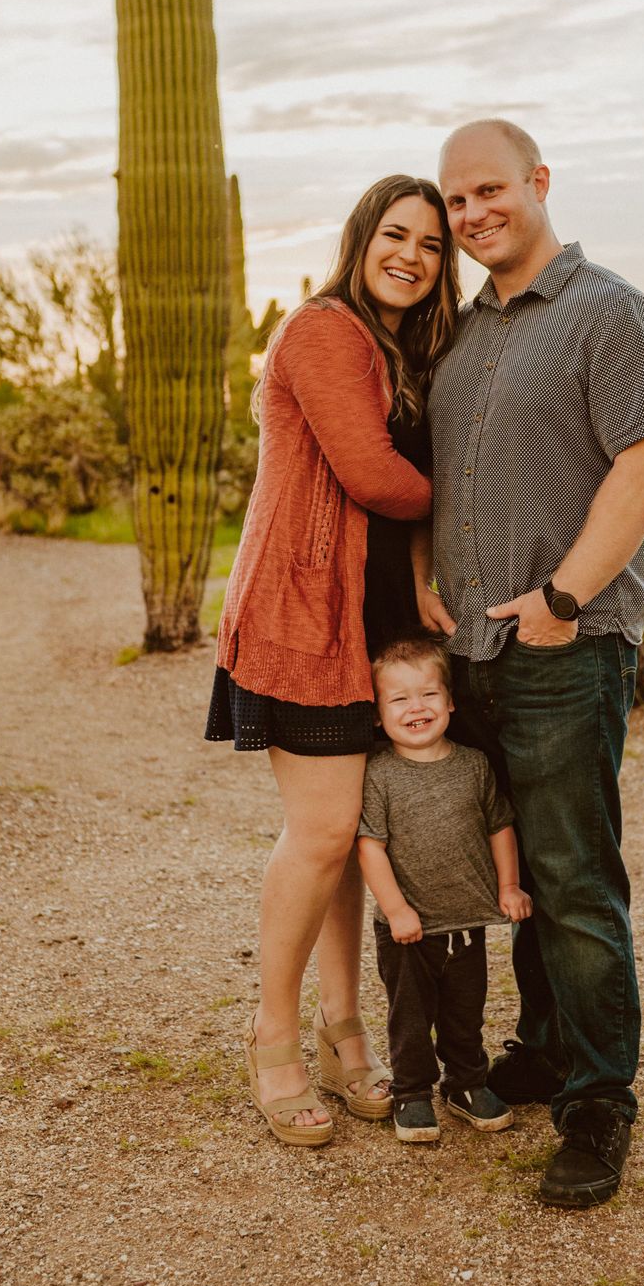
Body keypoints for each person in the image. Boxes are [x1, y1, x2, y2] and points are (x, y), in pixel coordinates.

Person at [414, 119, 644, 1205]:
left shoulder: (609, 312)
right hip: (472, 649)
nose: (473, 215)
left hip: (565, 648)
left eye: (489, 191)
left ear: (537, 182)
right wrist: (427, 582)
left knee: (573, 879)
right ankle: (539, 1048)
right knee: (515, 875)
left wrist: (565, 601)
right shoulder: (464, 338)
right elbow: (441, 479)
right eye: (456, 202)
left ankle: (598, 1105)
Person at [205, 175, 459, 1146]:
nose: (411, 255)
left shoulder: (399, 348)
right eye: (395, 235)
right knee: (319, 837)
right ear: (361, 239)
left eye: (431, 245)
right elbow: (369, 474)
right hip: (305, 620)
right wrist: (467, 501)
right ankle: (272, 1038)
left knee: (353, 835)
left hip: (377, 626)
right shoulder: (322, 329)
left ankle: (344, 1028)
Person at [357, 635, 531, 1142]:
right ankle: (411, 1092)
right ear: (377, 713)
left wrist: (510, 886)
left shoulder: (473, 766)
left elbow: (500, 826)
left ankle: (466, 1083)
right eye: (399, 699)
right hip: (408, 929)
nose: (417, 708)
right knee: (410, 1017)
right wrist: (396, 909)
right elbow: (370, 845)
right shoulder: (379, 773)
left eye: (428, 695)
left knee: (464, 1011)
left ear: (451, 702)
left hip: (466, 922)